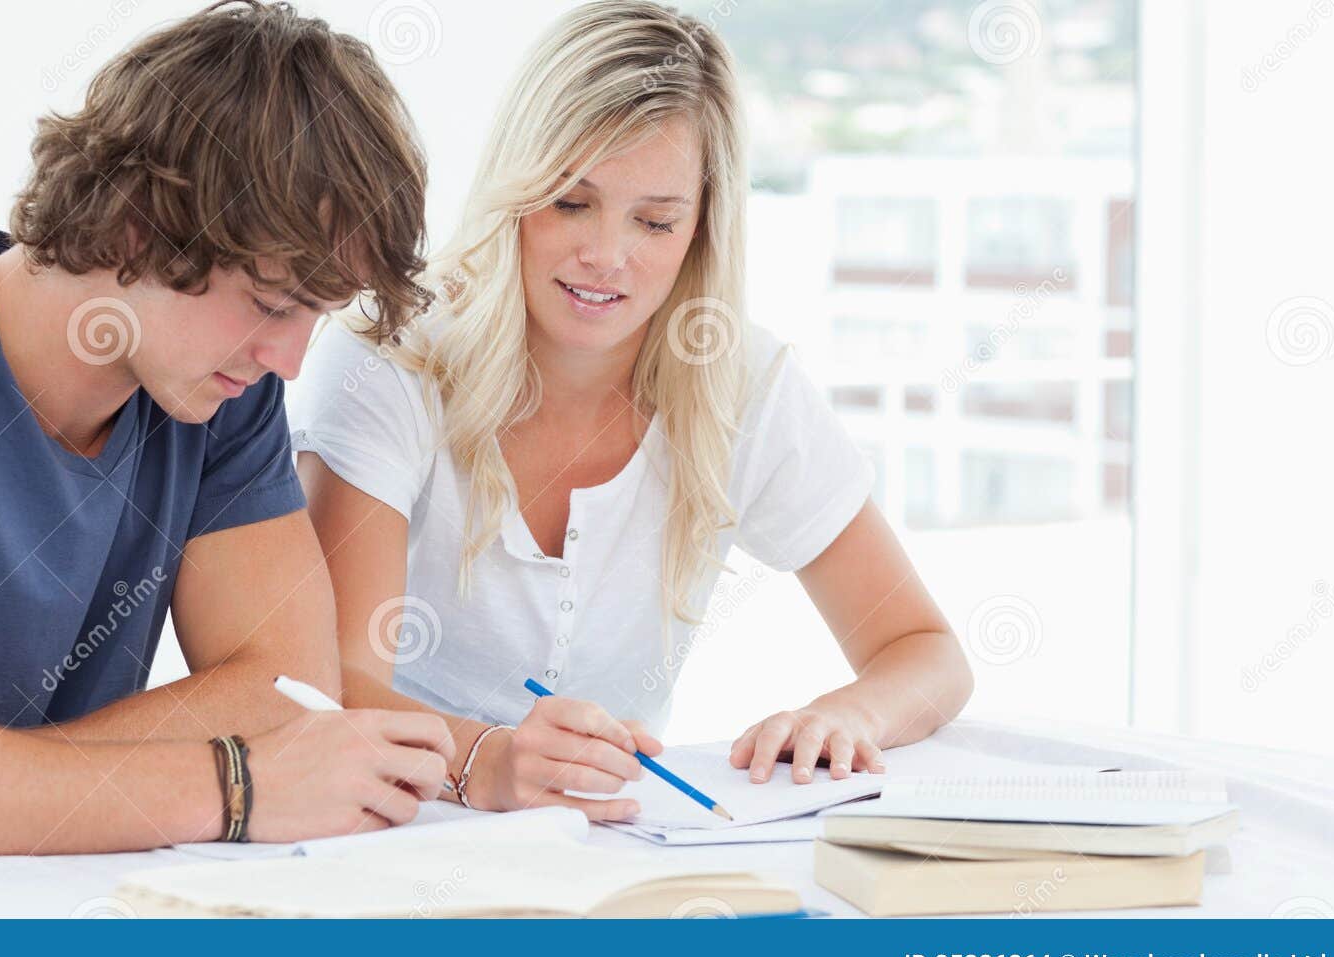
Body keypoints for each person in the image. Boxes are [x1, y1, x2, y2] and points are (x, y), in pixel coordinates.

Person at [0, 1, 453, 858]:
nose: (291, 359)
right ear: (139, 224)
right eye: (273, 305)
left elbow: (287, 684)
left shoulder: (222, 392)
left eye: (316, 313)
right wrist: (235, 784)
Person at [291, 0, 974, 822]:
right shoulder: (390, 358)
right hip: (379, 834)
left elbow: (925, 652)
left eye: (654, 220)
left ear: (701, 228)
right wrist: (484, 759)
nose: (606, 256)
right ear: (517, 187)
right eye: (571, 203)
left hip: (614, 856)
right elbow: (328, 682)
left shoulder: (741, 385)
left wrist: (845, 715)